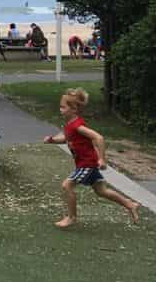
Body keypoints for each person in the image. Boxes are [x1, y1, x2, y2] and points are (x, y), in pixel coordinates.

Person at [43, 88, 139, 229]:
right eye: (60, 106)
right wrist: (52, 140)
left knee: (66, 185)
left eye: (63, 107)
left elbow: (98, 138)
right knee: (101, 191)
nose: (60, 109)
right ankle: (130, 204)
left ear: (74, 109)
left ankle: (71, 217)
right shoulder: (69, 124)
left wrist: (102, 159)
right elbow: (66, 138)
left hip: (87, 164)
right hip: (85, 164)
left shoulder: (78, 126)